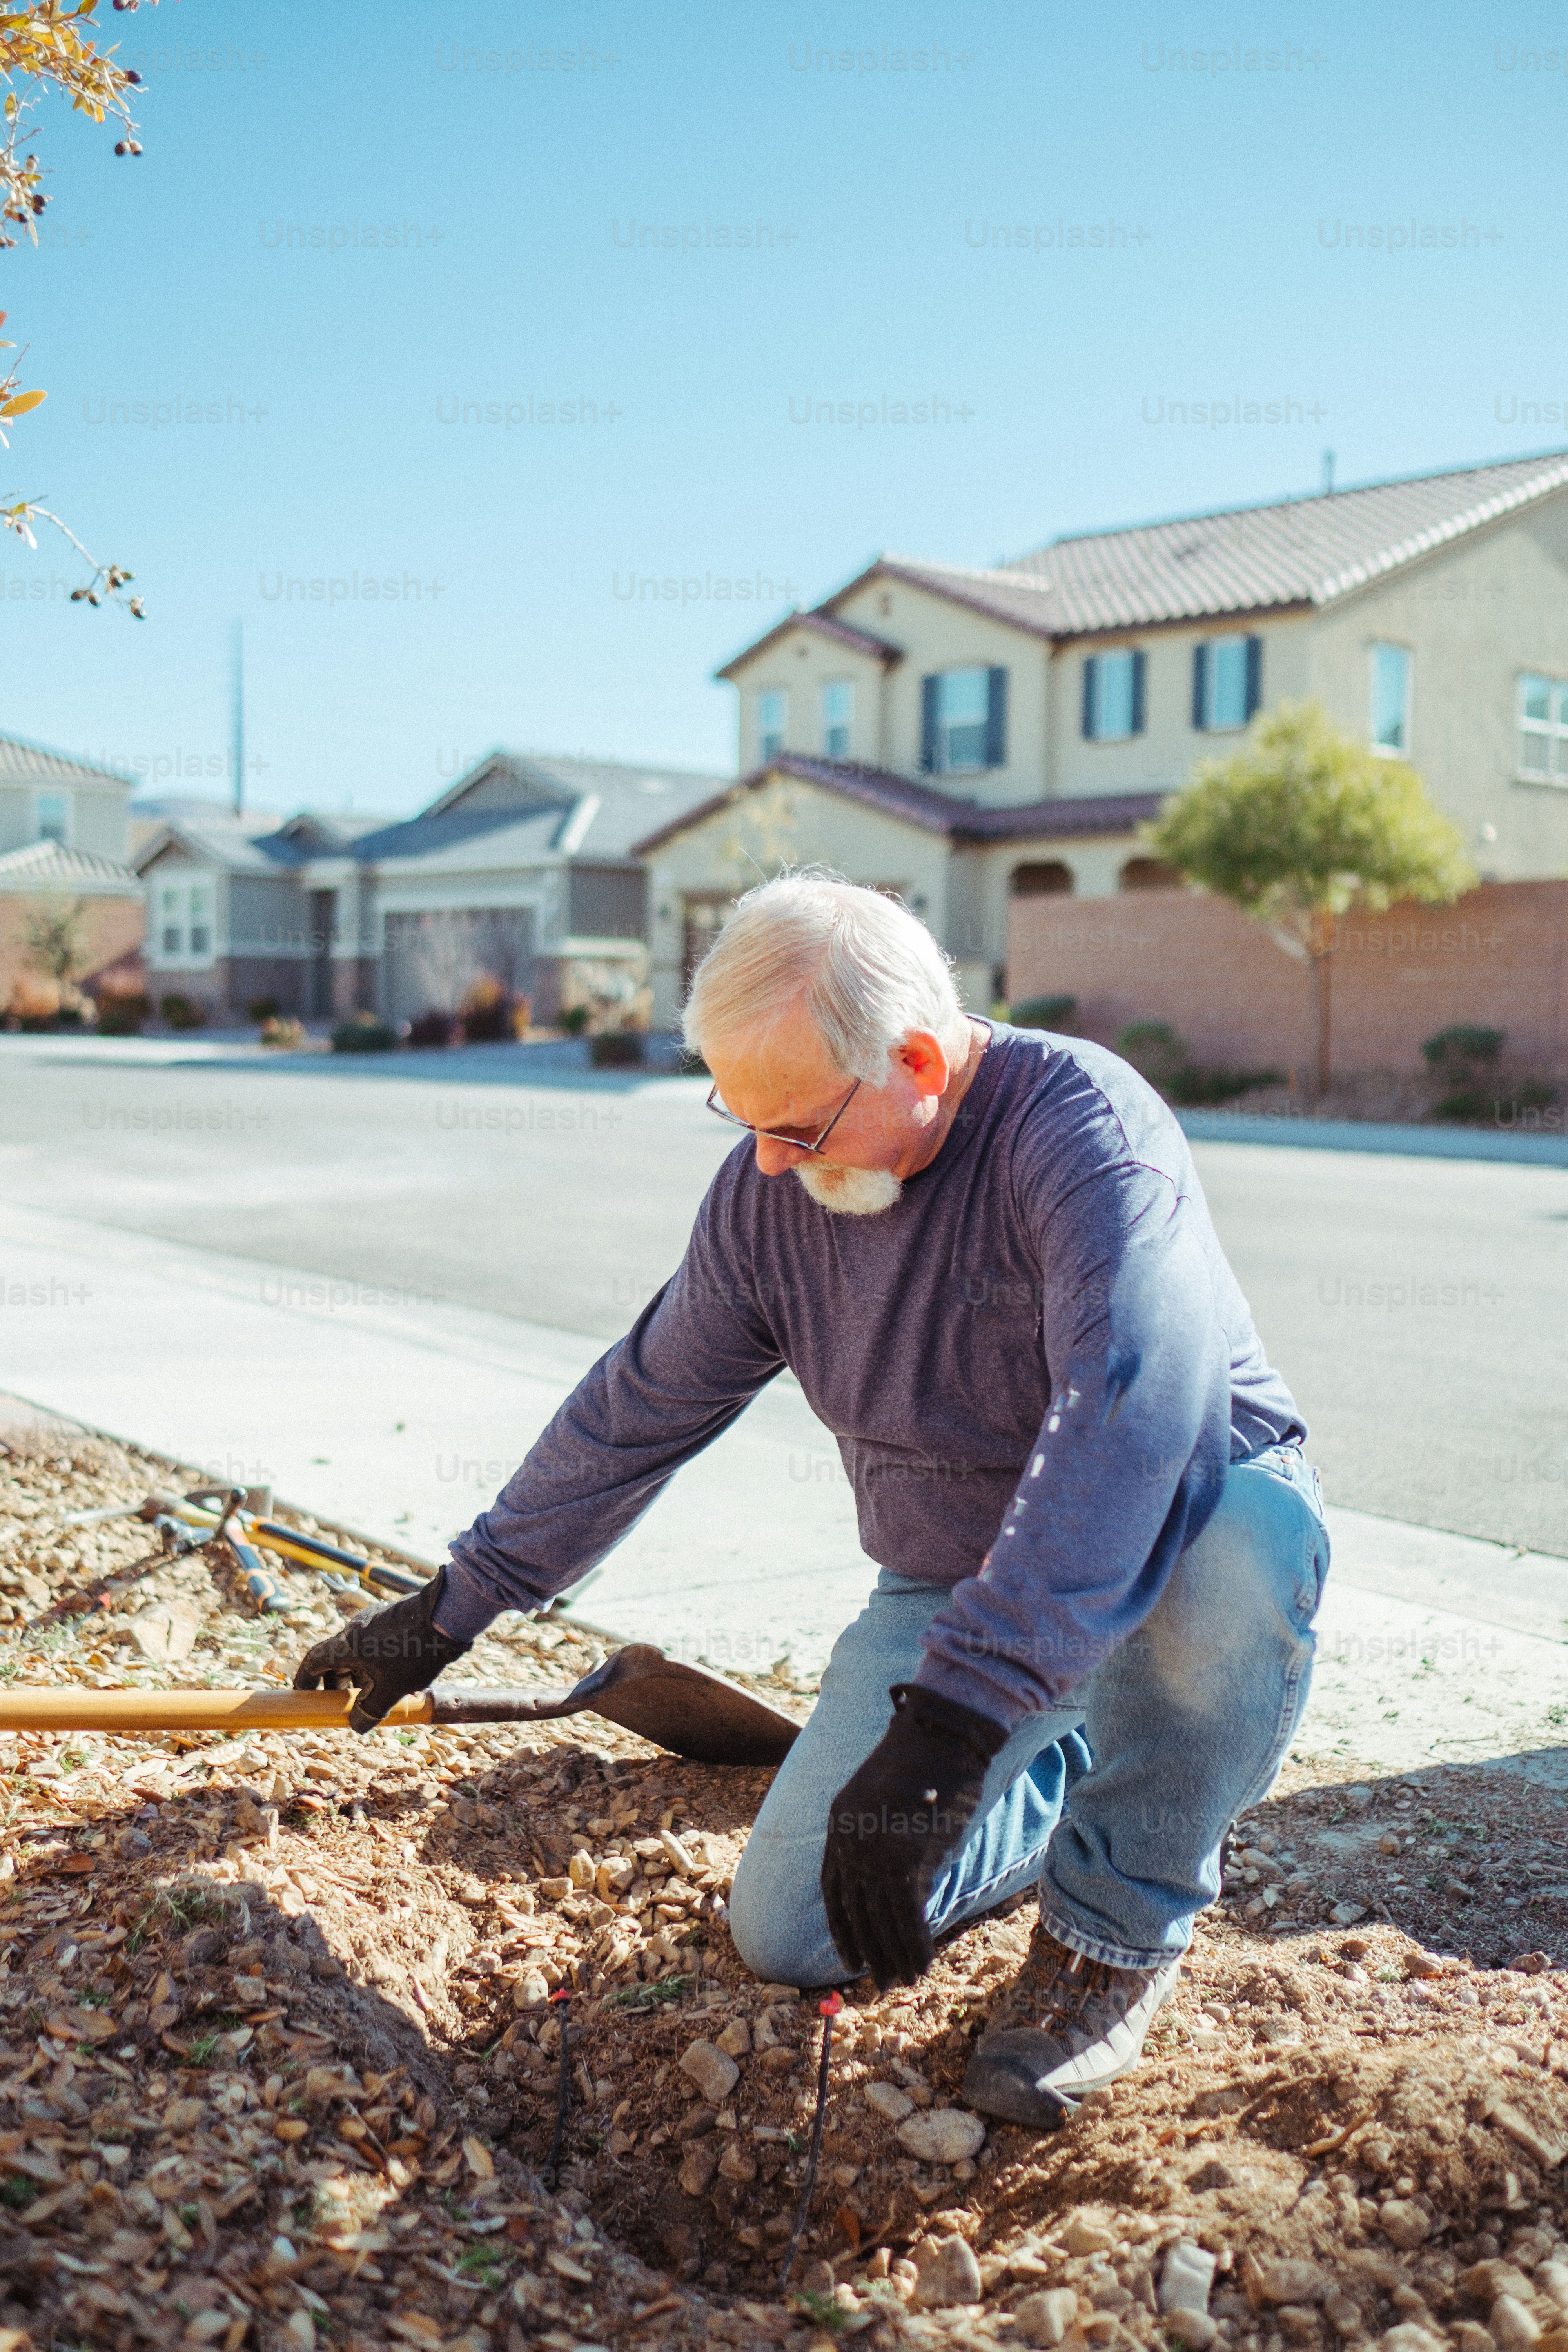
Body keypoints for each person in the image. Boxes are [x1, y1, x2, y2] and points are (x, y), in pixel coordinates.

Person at [295, 875, 1328, 2128]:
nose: (772, 1162)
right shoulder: (771, 1194)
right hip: (951, 1580)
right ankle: (1058, 1759)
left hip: (1165, 1535)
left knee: (1240, 1548)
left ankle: (1112, 1928)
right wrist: (459, 1604)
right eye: (744, 1118)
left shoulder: (1083, 1132)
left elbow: (1137, 1415)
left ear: (917, 1060)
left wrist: (952, 1730)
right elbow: (641, 1404)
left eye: (800, 1126)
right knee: (792, 1930)